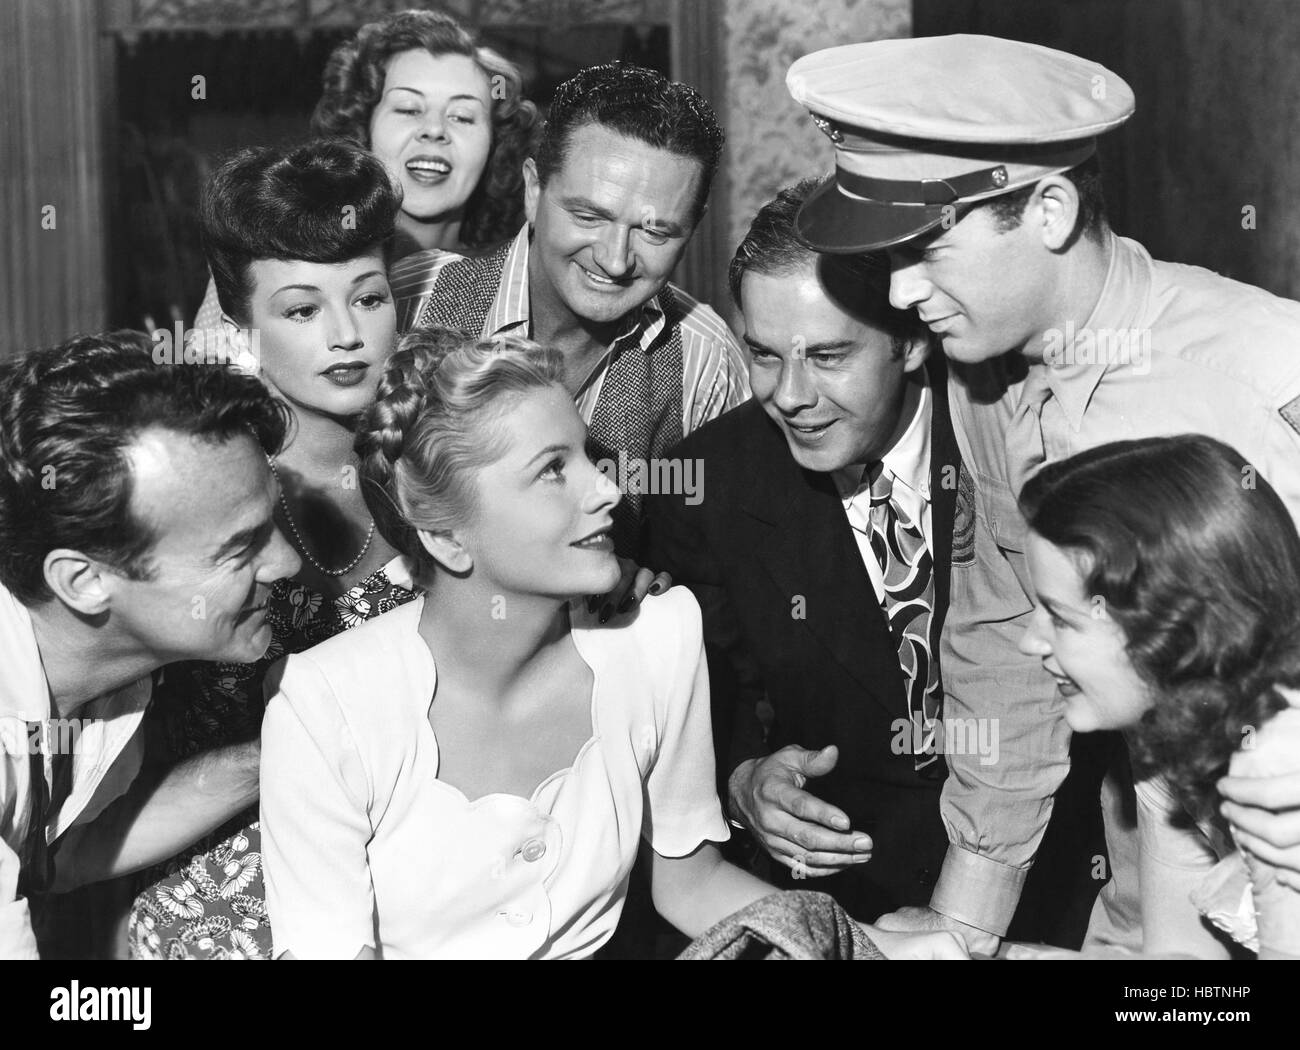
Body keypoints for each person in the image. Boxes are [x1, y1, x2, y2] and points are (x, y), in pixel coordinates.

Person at [784, 34, 1300, 955]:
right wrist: (962, 932)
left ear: (1050, 210)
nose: (901, 291)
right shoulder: (981, 370)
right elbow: (1003, 640)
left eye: (927, 249)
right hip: (1145, 899)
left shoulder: (1260, 376)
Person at [257, 327, 967, 960]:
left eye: (588, 456)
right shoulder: (322, 705)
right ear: (444, 536)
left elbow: (691, 887)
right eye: (552, 470)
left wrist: (878, 947)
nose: (606, 490)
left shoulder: (659, 634)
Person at [644, 179, 959, 921]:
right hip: (848, 910)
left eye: (828, 355)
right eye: (763, 353)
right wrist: (742, 780)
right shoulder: (703, 487)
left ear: (912, 339)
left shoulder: (1009, 434)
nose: (789, 394)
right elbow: (706, 702)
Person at [0, 331, 300, 958]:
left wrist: (292, 744)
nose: (286, 563)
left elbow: (59, 852)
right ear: (84, 582)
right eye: (240, 549)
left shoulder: (107, 664)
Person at [404, 61, 750, 558]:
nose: (615, 260)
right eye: (589, 216)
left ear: (691, 229)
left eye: (655, 231)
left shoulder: (705, 355)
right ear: (533, 190)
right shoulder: (410, 297)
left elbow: (729, 554)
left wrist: (668, 586)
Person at [1014, 436, 1300, 959]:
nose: (1029, 641)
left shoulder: (1276, 764)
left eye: (1060, 617)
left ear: (1167, 626)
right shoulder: (1175, 724)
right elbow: (1180, 959)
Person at [191, 7, 537, 333]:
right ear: (362, 126)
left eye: (462, 116)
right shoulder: (270, 255)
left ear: (496, 144)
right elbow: (211, 366)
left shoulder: (518, 279)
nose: (434, 130)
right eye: (408, 109)